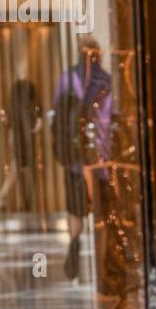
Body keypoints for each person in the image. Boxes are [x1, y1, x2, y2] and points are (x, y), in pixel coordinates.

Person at [51, 35, 113, 278]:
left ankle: (75, 242)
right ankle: (103, 254)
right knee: (101, 206)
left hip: (75, 157)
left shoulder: (67, 78)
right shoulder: (106, 80)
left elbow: (56, 114)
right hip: (100, 158)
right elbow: (111, 118)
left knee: (75, 208)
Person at [0, 57, 42, 220]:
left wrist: (38, 121)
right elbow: (12, 111)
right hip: (18, 134)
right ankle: (3, 202)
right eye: (21, 67)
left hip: (26, 133)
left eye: (25, 67)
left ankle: (24, 203)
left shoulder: (30, 87)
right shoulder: (15, 88)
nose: (23, 70)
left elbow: (37, 106)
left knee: (25, 170)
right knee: (17, 170)